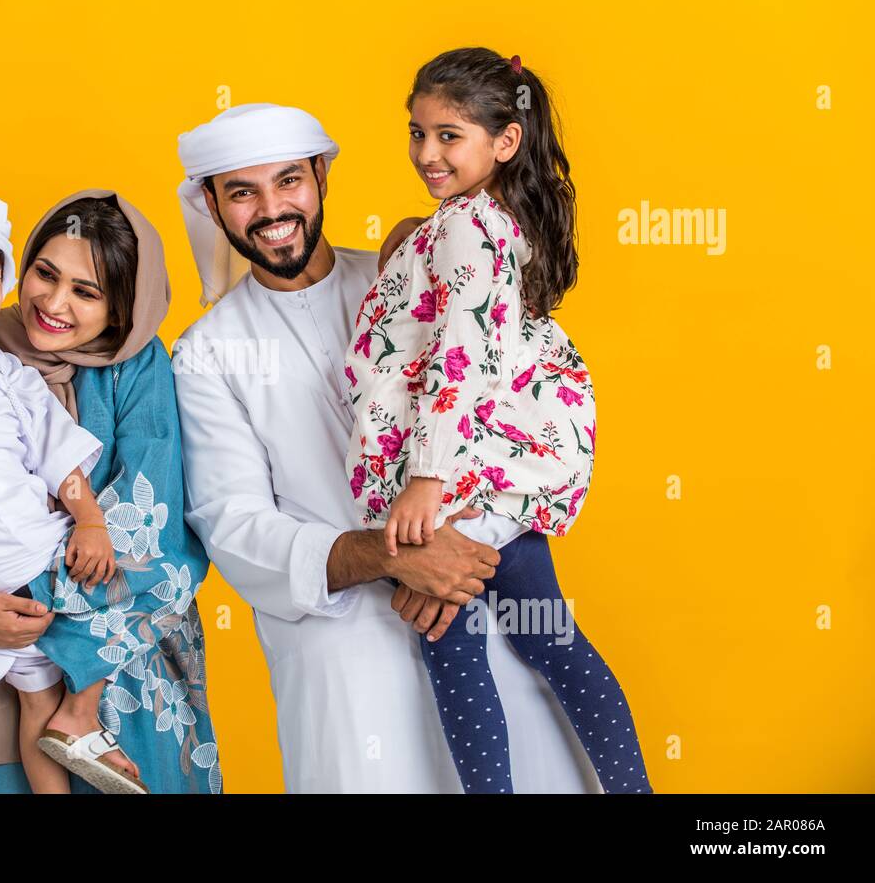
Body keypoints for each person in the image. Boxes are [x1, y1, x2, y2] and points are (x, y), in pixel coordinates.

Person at [172, 102, 600, 792]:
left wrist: (458, 543)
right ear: (213, 207)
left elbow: (519, 402)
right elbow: (236, 527)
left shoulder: (409, 274)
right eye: (242, 191)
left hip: (479, 593)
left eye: (289, 180)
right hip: (343, 656)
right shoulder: (204, 354)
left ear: (321, 176)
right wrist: (396, 555)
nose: (272, 208)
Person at [345, 47, 650, 792]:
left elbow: (463, 355)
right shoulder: (482, 219)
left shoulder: (466, 228)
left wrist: (426, 480)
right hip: (496, 476)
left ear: (504, 141)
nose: (426, 152)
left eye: (450, 135)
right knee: (554, 643)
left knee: (453, 646)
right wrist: (415, 237)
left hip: (458, 482)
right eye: (417, 133)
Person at [0, 189, 221, 794]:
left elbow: (148, 521)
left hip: (118, 662)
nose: (53, 304)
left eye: (86, 292)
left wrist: (46, 612)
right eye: (43, 274)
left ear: (125, 306)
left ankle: (77, 714)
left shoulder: (137, 368)